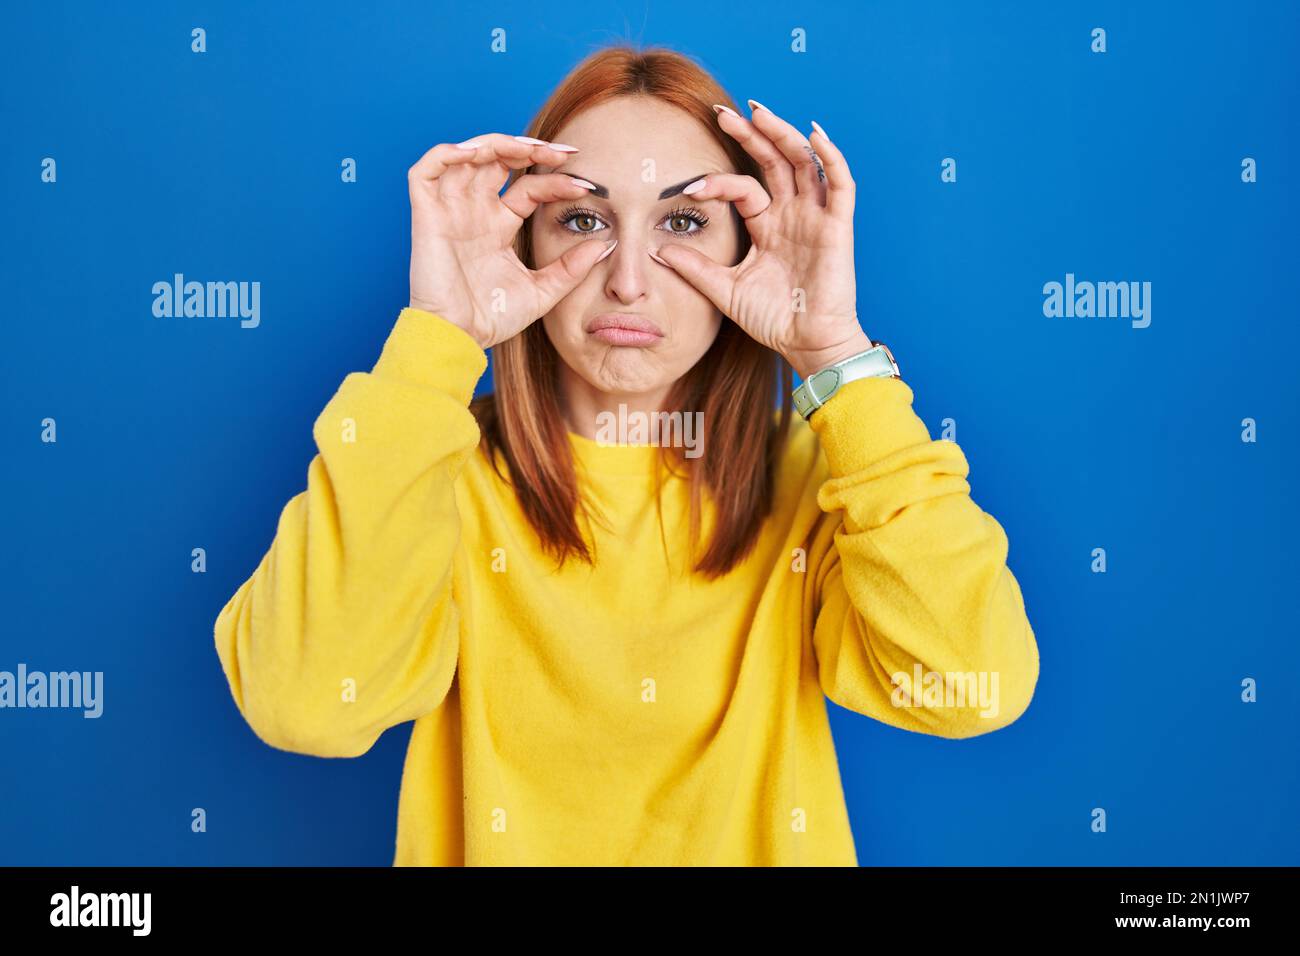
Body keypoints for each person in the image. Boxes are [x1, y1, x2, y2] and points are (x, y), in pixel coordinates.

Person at [213, 44, 1040, 866]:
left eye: (682, 222)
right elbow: (305, 705)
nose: (629, 282)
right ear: (527, 241)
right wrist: (438, 341)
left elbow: (977, 689)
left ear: (747, 247)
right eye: (585, 219)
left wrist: (835, 359)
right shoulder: (430, 467)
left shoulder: (828, 483)